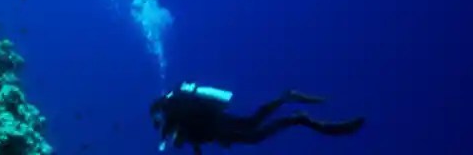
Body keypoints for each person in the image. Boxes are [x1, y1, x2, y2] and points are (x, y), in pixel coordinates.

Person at [150, 82, 364, 153]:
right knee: (252, 122)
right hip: (219, 121)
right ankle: (285, 98)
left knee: (255, 136)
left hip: (218, 126)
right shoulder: (178, 119)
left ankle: (296, 118)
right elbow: (195, 142)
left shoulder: (174, 118)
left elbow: (190, 135)